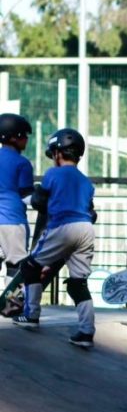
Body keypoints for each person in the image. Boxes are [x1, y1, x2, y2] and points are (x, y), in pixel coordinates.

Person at [13, 128, 97, 348]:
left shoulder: (52, 175)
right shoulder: (87, 182)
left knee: (31, 267)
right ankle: (86, 332)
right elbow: (91, 212)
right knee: (78, 284)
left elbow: (40, 202)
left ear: (58, 153)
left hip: (62, 227)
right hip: (86, 229)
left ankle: (31, 315)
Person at [0, 113, 34, 314]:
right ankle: (10, 306)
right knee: (17, 266)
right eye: (24, 136)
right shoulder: (22, 164)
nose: (27, 140)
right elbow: (26, 195)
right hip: (13, 221)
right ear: (14, 137)